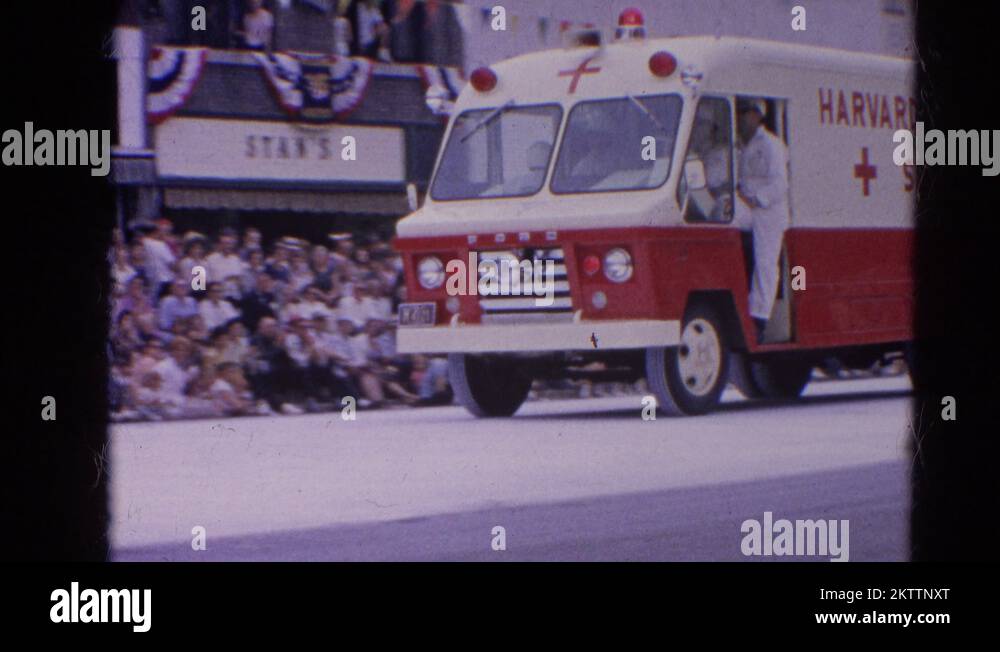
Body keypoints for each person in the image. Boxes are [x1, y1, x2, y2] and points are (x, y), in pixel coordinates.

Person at [736, 98, 790, 343]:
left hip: (767, 212)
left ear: (758, 115)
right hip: (747, 207)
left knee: (766, 263)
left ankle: (760, 319)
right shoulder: (740, 145)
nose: (743, 117)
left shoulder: (771, 145)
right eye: (742, 112)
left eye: (748, 112)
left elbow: (780, 183)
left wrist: (756, 200)